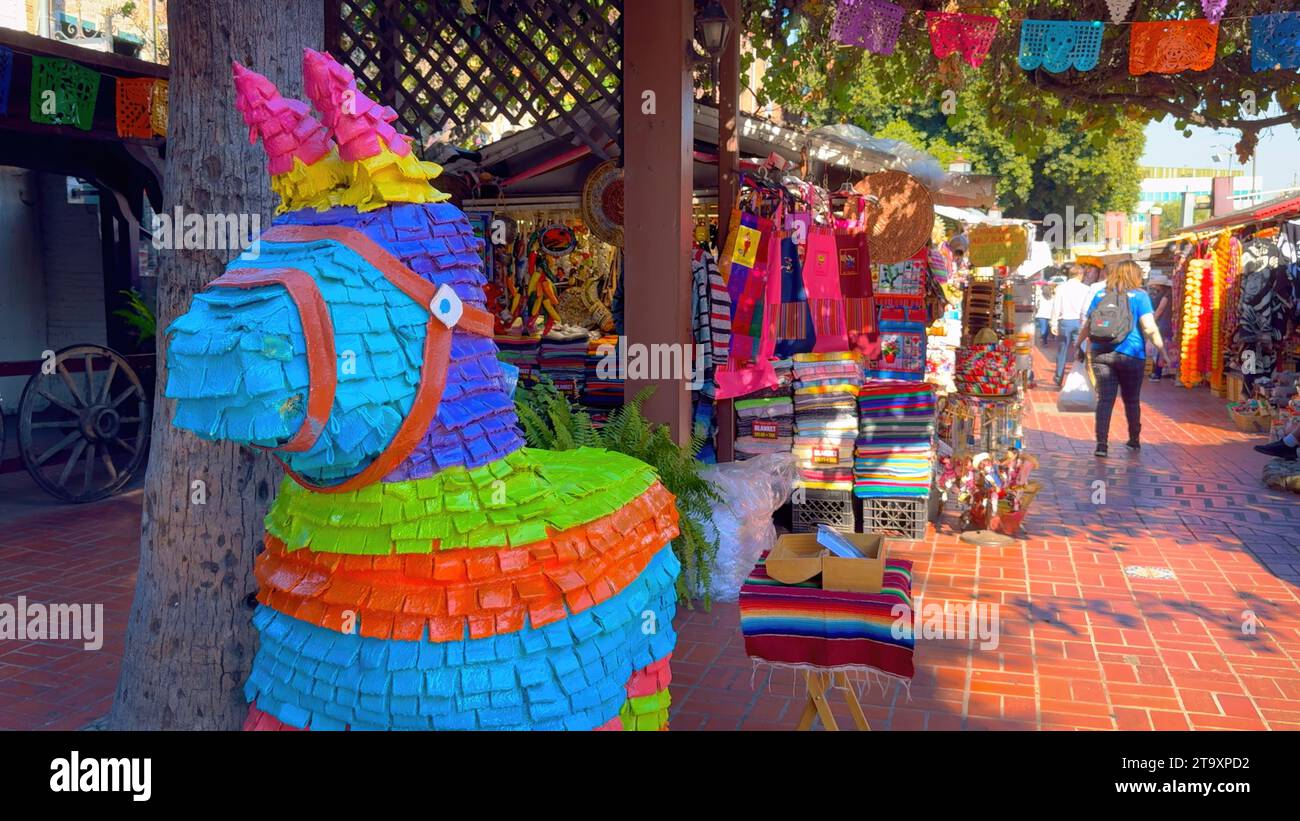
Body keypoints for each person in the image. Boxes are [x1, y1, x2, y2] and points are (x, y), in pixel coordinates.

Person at [1077, 261, 1168, 457]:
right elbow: (1149, 327)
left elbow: (1088, 323)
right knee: (1132, 400)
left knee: (1105, 400)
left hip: (1101, 353)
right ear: (1135, 275)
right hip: (1132, 354)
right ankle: (1134, 440)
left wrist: (1078, 344)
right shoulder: (1140, 296)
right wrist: (1162, 350)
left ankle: (1101, 444)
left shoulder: (1101, 294)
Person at [1049, 264, 1091, 386]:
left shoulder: (1061, 288)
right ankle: (1081, 379)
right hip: (1080, 323)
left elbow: (1056, 306)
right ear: (1080, 275)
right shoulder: (1086, 289)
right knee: (1080, 350)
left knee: (1062, 351)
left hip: (1064, 322)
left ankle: (1058, 377)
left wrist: (1053, 323)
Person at [1145, 273, 1173, 380]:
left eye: (1156, 285)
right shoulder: (1170, 294)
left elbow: (1160, 310)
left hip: (1164, 324)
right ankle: (1167, 371)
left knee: (1162, 348)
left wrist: (1152, 321)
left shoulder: (1166, 295)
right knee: (1168, 348)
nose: (1154, 287)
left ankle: (1158, 373)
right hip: (1169, 323)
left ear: (1161, 286)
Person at [1035, 282, 1054, 346]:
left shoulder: (1040, 297)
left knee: (1043, 328)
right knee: (1047, 329)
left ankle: (1044, 341)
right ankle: (1044, 339)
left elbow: (1037, 305)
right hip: (1049, 315)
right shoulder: (1052, 297)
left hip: (1041, 314)